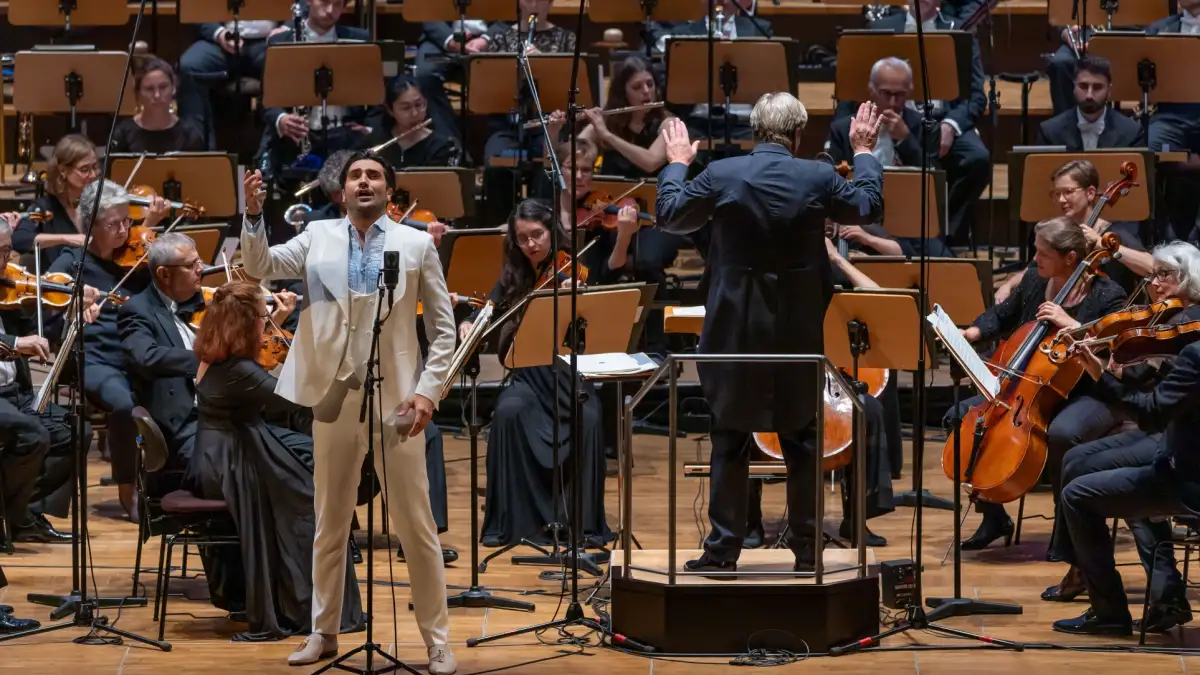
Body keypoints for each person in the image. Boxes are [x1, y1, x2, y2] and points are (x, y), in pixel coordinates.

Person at [240, 150, 457, 673]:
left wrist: (429, 392)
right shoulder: (317, 235)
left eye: (374, 176)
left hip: (400, 397)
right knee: (330, 521)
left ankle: (437, 640)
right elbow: (259, 266)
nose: (364, 182)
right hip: (335, 394)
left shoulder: (416, 243)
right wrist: (252, 216)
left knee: (415, 524)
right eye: (356, 176)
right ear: (341, 191)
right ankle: (324, 630)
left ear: (389, 191)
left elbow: (444, 331)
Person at [655, 94, 885, 573]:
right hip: (797, 331)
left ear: (753, 133)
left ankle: (722, 552)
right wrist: (864, 151)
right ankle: (806, 552)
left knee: (729, 438)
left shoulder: (722, 173)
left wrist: (677, 163)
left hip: (733, 332)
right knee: (802, 439)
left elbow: (672, 215)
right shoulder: (819, 176)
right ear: (798, 134)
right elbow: (867, 204)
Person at [186, 280, 361, 641]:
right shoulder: (239, 370)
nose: (266, 327)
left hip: (223, 448)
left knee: (302, 473)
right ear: (244, 325)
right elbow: (298, 400)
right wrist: (344, 373)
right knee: (307, 502)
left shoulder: (218, 355)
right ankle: (302, 606)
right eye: (263, 321)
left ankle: (313, 600)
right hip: (228, 461)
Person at [1041, 241, 1200, 634]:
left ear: (1188, 278)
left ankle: (1110, 608)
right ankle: (1161, 593)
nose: (1155, 284)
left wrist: (1101, 374)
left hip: (1179, 459)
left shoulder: (1191, 337)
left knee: (1081, 491)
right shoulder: (1176, 329)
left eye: (1164, 275)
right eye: (1153, 274)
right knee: (1078, 463)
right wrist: (1117, 366)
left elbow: (1151, 411)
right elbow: (1156, 381)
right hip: (1174, 440)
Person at [952, 217, 1127, 550]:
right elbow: (1004, 313)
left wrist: (1070, 323)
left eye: (1043, 254)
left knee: (1063, 433)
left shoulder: (1108, 295)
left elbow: (1115, 349)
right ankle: (993, 516)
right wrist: (972, 333)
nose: (1034, 260)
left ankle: (1067, 538)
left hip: (1088, 391)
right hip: (1030, 389)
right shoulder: (1035, 279)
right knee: (959, 416)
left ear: (1070, 259)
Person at [460, 199, 611, 549]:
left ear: (551, 232)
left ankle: (581, 524)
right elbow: (489, 309)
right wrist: (469, 323)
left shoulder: (572, 269)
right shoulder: (513, 275)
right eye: (523, 239)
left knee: (588, 415)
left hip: (565, 373)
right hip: (528, 376)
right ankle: (514, 521)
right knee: (510, 411)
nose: (531, 245)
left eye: (538, 236)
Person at [48, 180, 170, 521]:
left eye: (126, 222)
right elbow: (47, 316)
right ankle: (128, 491)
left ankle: (167, 483)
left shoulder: (137, 260)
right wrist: (74, 313)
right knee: (123, 404)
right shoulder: (69, 265)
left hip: (139, 353)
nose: (123, 230)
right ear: (89, 226)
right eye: (113, 224)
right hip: (96, 358)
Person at [0, 216, 79, 545]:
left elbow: (29, 313)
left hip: (12, 391)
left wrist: (68, 298)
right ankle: (12, 514)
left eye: (8, 252)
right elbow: (15, 342)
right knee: (32, 435)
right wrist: (18, 344)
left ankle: (24, 514)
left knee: (75, 430)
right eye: (3, 252)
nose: (9, 260)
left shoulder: (6, 284)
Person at [826, 57, 953, 257]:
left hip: (910, 221)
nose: (893, 102)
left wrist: (905, 140)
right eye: (886, 93)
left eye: (900, 95)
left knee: (943, 258)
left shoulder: (925, 127)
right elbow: (833, 173)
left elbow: (933, 179)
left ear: (909, 90)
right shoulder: (844, 128)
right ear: (872, 89)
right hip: (861, 217)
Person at [994, 159, 1152, 300]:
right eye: (1057, 193)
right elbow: (1034, 268)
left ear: (1090, 193)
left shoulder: (1113, 234)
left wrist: (1105, 245)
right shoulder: (1059, 233)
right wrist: (1008, 286)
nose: (1061, 200)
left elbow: (1151, 266)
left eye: (1068, 192)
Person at [255, 0, 376, 184]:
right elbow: (266, 99)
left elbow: (376, 94)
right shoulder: (280, 42)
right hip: (297, 137)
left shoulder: (360, 40)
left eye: (338, 5)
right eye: (325, 2)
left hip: (345, 136)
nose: (330, 11)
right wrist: (282, 119)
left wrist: (368, 128)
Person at [480, 0, 577, 225]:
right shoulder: (501, 39)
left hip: (549, 123)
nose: (534, 3)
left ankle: (543, 227)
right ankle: (499, 231)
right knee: (494, 163)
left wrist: (542, 65)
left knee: (549, 164)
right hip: (509, 125)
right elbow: (489, 91)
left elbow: (569, 90)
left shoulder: (566, 39)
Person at [650, 0, 772, 143]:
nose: (723, 0)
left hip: (745, 122)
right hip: (699, 122)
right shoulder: (682, 34)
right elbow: (674, 84)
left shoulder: (759, 30)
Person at [177, 12, 284, 146]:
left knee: (286, 63)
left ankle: (273, 154)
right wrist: (219, 33)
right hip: (222, 41)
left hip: (270, 42)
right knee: (189, 67)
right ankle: (199, 150)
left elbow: (303, 5)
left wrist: (286, 29)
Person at [562, 55, 673, 179]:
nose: (646, 91)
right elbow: (569, 157)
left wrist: (607, 135)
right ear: (623, 93)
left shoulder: (669, 124)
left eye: (650, 84)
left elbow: (651, 162)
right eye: (637, 87)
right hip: (609, 197)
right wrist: (553, 130)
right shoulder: (608, 123)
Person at [13, 135, 99, 269]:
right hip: (59, 284)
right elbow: (20, 239)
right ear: (63, 171)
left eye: (94, 167)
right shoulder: (45, 209)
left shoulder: (92, 204)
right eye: (84, 169)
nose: (93, 175)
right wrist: (66, 239)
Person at [1036, 56, 1145, 151]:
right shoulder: (1050, 132)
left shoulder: (1132, 133)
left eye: (1097, 87)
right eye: (1083, 86)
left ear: (1109, 90)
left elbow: (1133, 174)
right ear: (1074, 87)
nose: (1089, 95)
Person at [355, 75, 461, 169]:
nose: (414, 113)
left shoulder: (440, 146)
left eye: (419, 105)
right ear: (390, 110)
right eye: (406, 108)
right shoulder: (375, 140)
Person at [110, 58, 206, 155]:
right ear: (138, 94)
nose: (157, 95)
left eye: (163, 87)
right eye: (149, 89)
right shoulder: (122, 135)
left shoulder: (190, 136)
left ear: (173, 89)